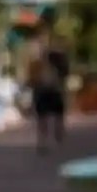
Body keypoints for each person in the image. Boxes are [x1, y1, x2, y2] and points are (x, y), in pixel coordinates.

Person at [26, 27, 70, 155]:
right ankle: (42, 142)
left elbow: (64, 71)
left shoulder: (56, 56)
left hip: (54, 88)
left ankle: (58, 134)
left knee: (57, 115)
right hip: (41, 89)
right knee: (42, 117)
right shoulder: (35, 59)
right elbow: (31, 75)